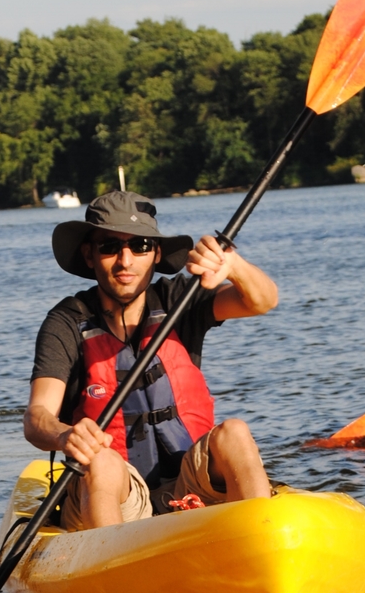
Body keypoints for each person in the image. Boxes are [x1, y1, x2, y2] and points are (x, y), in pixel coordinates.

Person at [23, 191, 278, 531]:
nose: (125, 260)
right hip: (116, 493)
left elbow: (263, 301)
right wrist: (64, 435)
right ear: (88, 254)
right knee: (100, 462)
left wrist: (234, 266)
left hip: (192, 483)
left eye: (140, 245)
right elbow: (37, 417)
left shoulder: (179, 301)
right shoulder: (66, 322)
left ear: (156, 253)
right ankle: (112, 563)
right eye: (109, 246)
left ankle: (261, 538)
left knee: (235, 433)